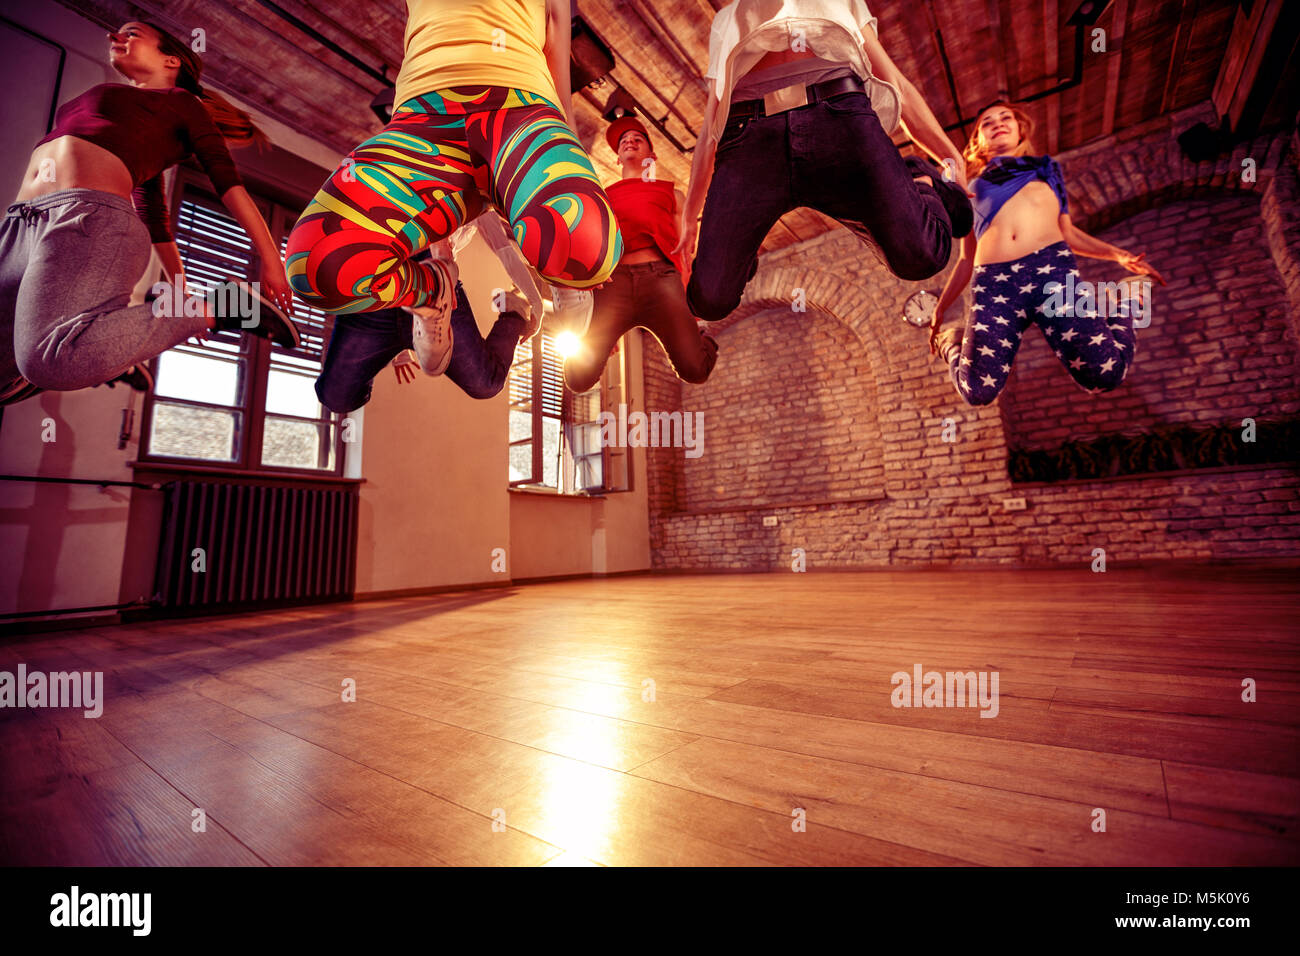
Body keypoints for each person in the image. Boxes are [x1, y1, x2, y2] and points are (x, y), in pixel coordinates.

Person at [285, 0, 621, 378]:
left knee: (585, 241)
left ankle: (564, 273)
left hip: (519, 107)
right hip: (423, 118)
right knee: (316, 265)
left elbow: (558, 27)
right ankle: (433, 291)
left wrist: (567, 146)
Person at [1, 21, 298, 406]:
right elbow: (156, 220)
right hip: (21, 223)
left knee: (48, 359)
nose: (116, 37)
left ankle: (227, 307)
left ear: (172, 59)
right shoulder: (141, 130)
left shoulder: (183, 104)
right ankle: (113, 362)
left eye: (133, 33)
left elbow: (229, 185)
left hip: (87, 221)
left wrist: (271, 262)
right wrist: (178, 297)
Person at [677, 0, 974, 324]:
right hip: (749, 136)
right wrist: (690, 217)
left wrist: (949, 155)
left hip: (838, 117)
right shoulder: (726, 18)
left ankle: (917, 177)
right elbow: (710, 126)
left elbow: (895, 82)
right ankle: (741, 254)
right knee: (709, 300)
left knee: (922, 257)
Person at [927, 101, 1166, 405]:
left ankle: (1128, 299)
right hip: (994, 284)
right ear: (978, 141)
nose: (998, 123)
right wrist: (940, 309)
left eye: (1006, 118)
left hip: (1051, 272)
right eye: (987, 122)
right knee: (977, 391)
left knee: (1105, 374)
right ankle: (952, 342)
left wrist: (1118, 255)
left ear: (1019, 129)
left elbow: (1067, 233)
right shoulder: (970, 187)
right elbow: (965, 259)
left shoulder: (1045, 171)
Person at [563, 117, 718, 394]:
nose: (629, 141)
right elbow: (592, 247)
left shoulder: (673, 194)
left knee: (695, 371)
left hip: (661, 281)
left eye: (638, 138)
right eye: (623, 140)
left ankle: (702, 337)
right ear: (619, 158)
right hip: (613, 286)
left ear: (652, 155)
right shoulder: (604, 195)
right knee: (577, 378)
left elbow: (684, 255)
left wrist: (696, 315)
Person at [316, 240, 537, 413]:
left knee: (486, 383)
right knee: (336, 398)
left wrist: (535, 303)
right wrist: (381, 354)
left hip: (431, 277)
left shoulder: (480, 202)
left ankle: (512, 315)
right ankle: (413, 308)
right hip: (378, 281)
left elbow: (503, 246)